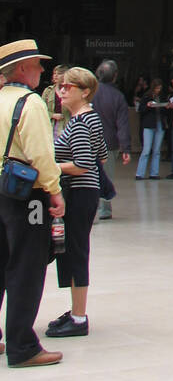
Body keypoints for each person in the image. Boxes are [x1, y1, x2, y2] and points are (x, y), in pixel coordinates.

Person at [0, 38, 66, 368]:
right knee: (26, 267)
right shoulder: (32, 103)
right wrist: (54, 192)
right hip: (27, 197)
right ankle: (22, 346)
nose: (42, 70)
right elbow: (42, 155)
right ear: (23, 69)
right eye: (38, 64)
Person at [47, 67, 107, 338]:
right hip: (85, 191)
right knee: (74, 250)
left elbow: (83, 164)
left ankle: (79, 316)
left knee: (76, 251)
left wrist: (52, 166)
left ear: (85, 92)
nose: (61, 91)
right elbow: (102, 156)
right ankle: (75, 311)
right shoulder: (88, 118)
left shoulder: (82, 122)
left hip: (79, 192)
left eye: (67, 87)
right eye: (61, 86)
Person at [91, 59, 131, 219]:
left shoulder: (89, 93)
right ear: (115, 76)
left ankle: (90, 208)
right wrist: (126, 148)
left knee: (87, 176)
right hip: (108, 144)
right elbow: (122, 125)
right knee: (105, 177)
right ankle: (104, 210)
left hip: (88, 141)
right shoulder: (118, 97)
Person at [135, 77, 168, 179]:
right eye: (157, 88)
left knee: (157, 150)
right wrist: (148, 106)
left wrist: (166, 107)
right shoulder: (146, 96)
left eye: (160, 88)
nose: (158, 90)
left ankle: (154, 173)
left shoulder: (162, 97)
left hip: (159, 123)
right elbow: (140, 110)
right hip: (149, 125)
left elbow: (164, 110)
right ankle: (139, 173)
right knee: (146, 149)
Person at [41, 64, 66, 133]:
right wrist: (53, 115)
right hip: (50, 126)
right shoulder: (48, 91)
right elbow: (41, 110)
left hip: (65, 126)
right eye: (54, 73)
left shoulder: (70, 91)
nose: (55, 75)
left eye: (59, 74)